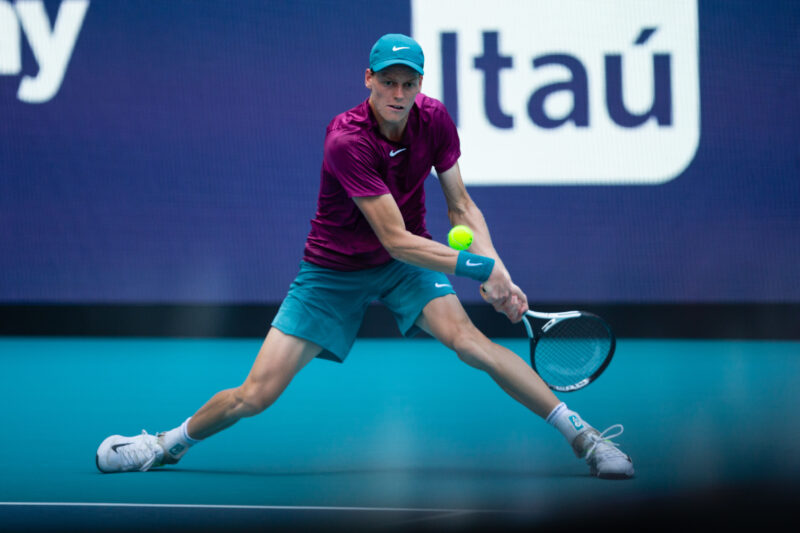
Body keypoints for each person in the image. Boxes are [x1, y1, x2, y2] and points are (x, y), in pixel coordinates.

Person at [96, 33, 633, 479]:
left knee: (472, 343)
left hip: (408, 269)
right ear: (368, 80)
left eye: (409, 83)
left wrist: (502, 274)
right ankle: (166, 443)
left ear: (421, 86)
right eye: (389, 81)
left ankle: (585, 439)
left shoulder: (436, 120)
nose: (398, 93)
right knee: (255, 394)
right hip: (333, 274)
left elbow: (461, 205)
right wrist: (478, 268)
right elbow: (393, 237)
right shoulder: (346, 140)